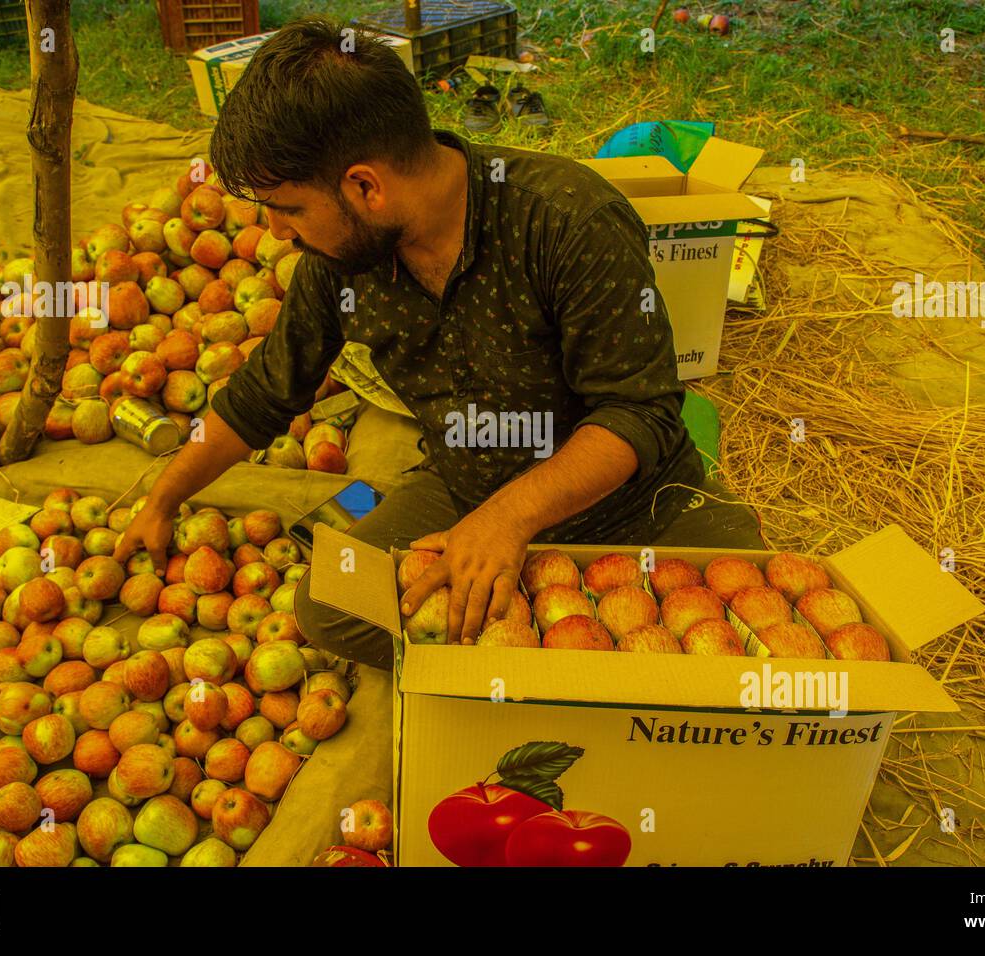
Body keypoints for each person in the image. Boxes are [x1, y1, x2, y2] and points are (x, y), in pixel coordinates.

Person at [115, 16, 763, 669]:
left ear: (365, 186)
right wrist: (163, 500)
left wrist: (510, 518)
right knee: (330, 606)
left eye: (288, 208)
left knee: (735, 646)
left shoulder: (568, 219)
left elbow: (639, 412)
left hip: (625, 508)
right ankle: (518, 664)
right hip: (466, 487)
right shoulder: (337, 262)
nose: (278, 233)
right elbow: (262, 395)